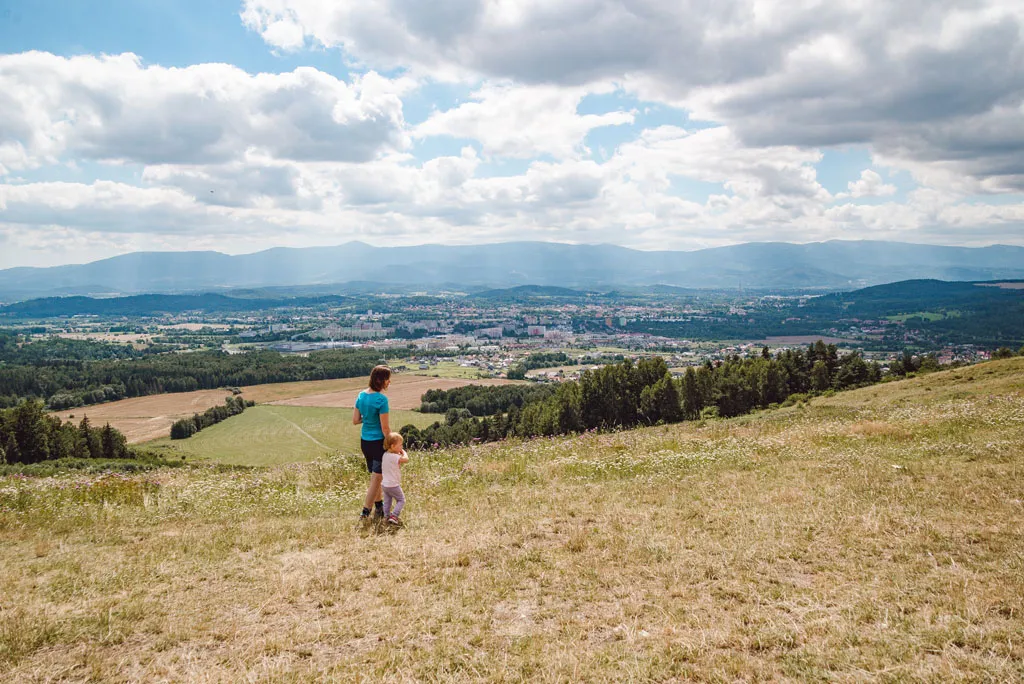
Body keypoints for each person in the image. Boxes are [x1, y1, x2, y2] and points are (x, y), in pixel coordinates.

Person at [353, 365, 391, 520]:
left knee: (375, 476)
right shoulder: (382, 400)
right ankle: (365, 512)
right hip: (378, 443)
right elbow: (385, 427)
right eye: (388, 379)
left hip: (365, 442)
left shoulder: (361, 395)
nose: (389, 382)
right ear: (380, 380)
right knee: (376, 480)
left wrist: (367, 419)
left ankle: (379, 507)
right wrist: (392, 445)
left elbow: (355, 420)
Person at [381, 431, 409, 525]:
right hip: (393, 485)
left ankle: (386, 516)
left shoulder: (385, 455)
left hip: (385, 484)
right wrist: (404, 452)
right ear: (393, 446)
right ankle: (394, 515)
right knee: (401, 500)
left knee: (387, 501)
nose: (401, 447)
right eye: (400, 445)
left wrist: (399, 452)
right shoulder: (394, 456)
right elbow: (406, 459)